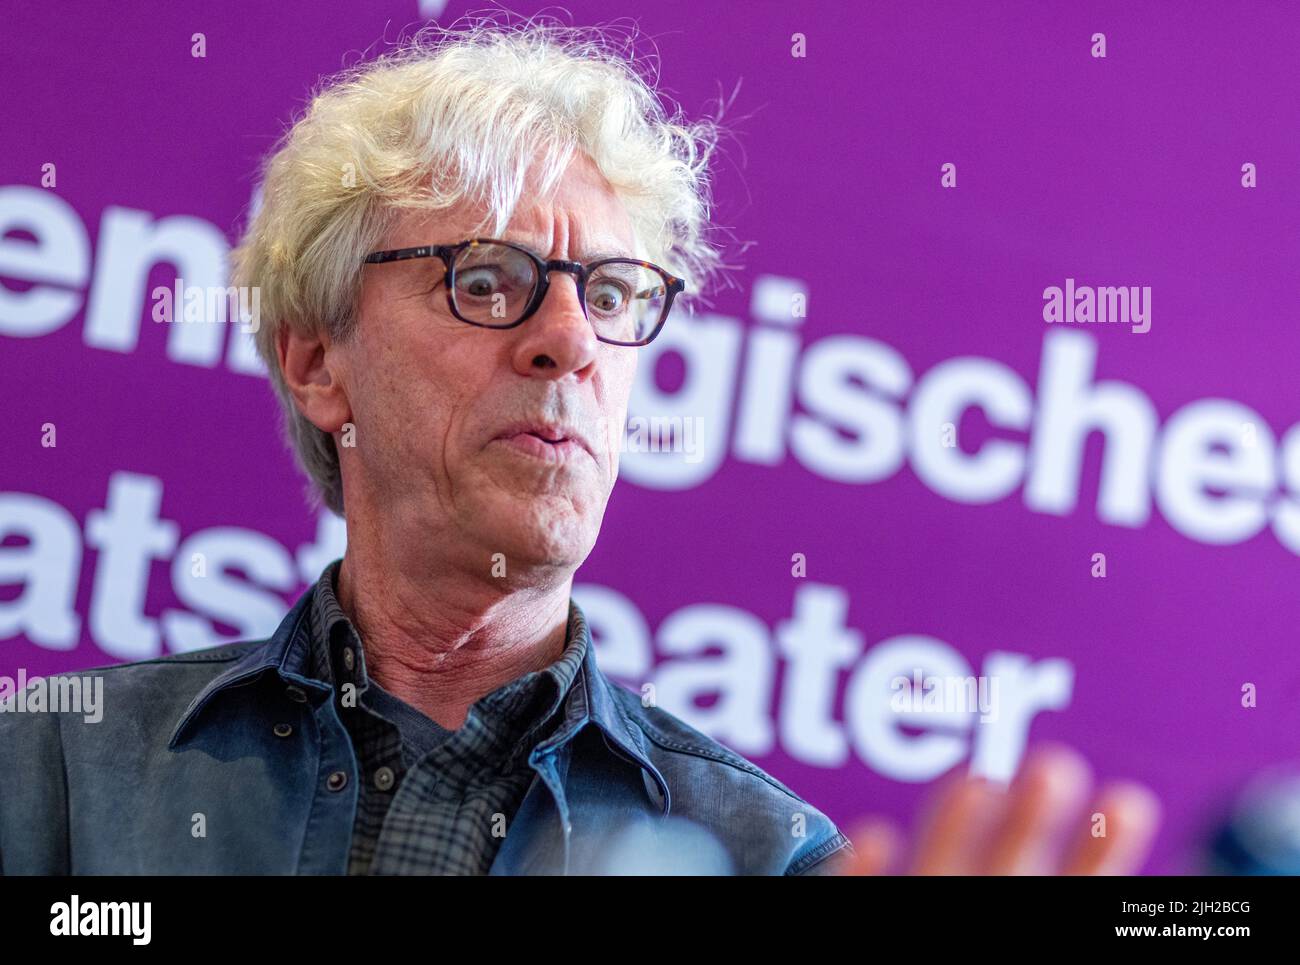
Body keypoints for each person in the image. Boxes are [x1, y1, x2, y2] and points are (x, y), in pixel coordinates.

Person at [0, 18, 1159, 875]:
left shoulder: (767, 857)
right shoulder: (53, 776)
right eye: (487, 278)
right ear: (318, 363)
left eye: (611, 292)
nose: (570, 339)